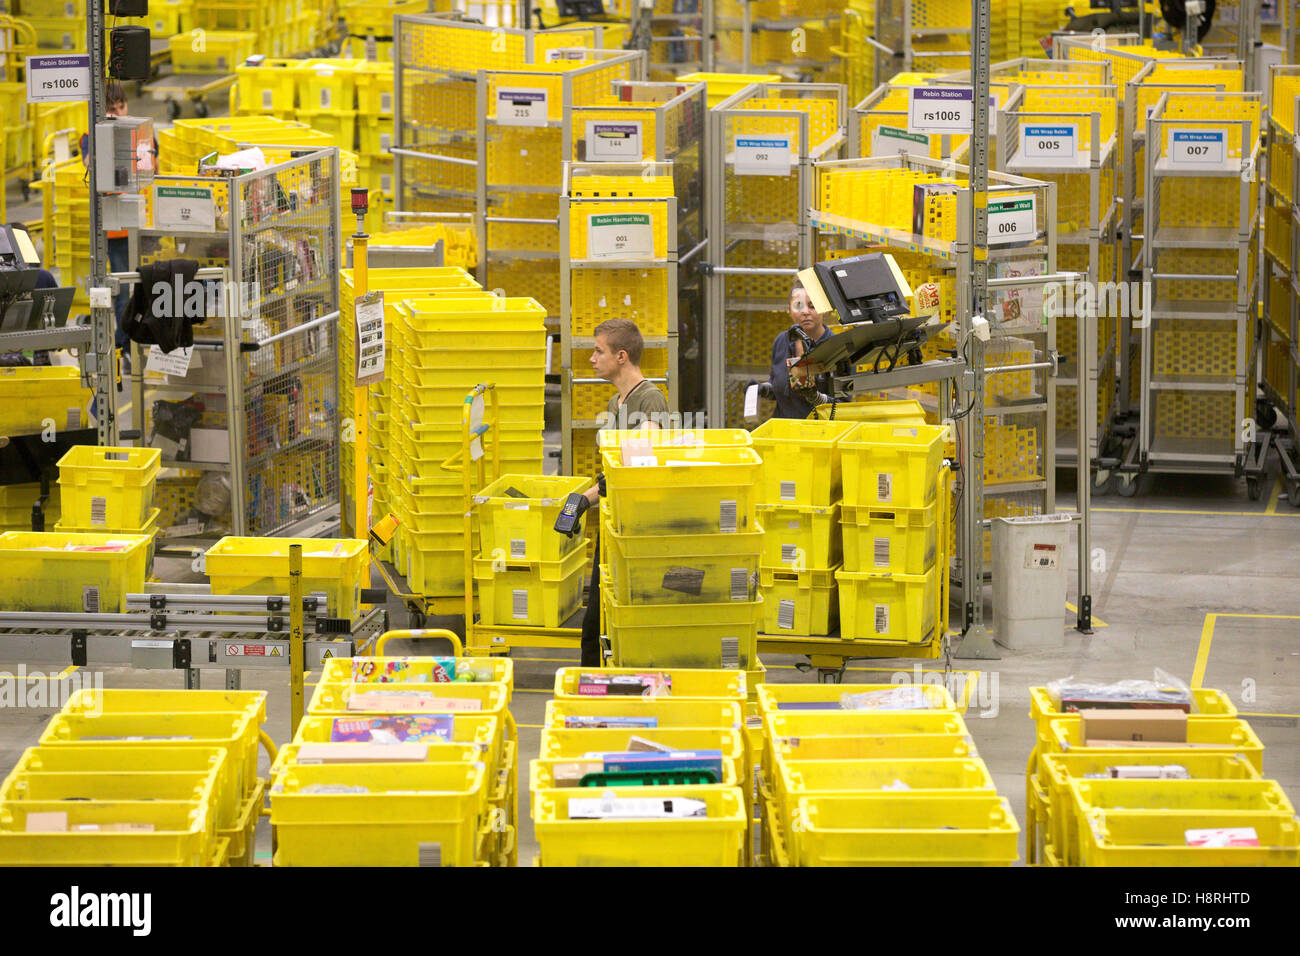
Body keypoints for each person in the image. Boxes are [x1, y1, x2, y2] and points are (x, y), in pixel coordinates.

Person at [577, 318, 668, 667]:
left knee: (601, 620)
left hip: (637, 530)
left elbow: (638, 466)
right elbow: (614, 471)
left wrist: (591, 495)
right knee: (595, 620)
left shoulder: (650, 401)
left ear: (622, 356)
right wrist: (583, 500)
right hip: (615, 522)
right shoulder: (619, 403)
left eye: (599, 351)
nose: (591, 358)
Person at [80, 81, 135, 357]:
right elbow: (90, 164)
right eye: (111, 110)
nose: (117, 114)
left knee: (140, 290)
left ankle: (130, 341)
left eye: (121, 107)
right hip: (112, 231)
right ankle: (122, 347)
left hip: (138, 225)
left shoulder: (139, 131)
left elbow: (150, 166)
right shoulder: (92, 136)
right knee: (121, 293)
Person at [767, 279, 835, 419]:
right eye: (798, 306)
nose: (805, 312)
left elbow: (845, 406)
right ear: (789, 310)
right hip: (786, 431)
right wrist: (764, 389)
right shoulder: (782, 341)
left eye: (812, 306)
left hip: (820, 433)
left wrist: (817, 398)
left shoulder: (837, 347)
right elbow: (778, 387)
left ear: (824, 309)